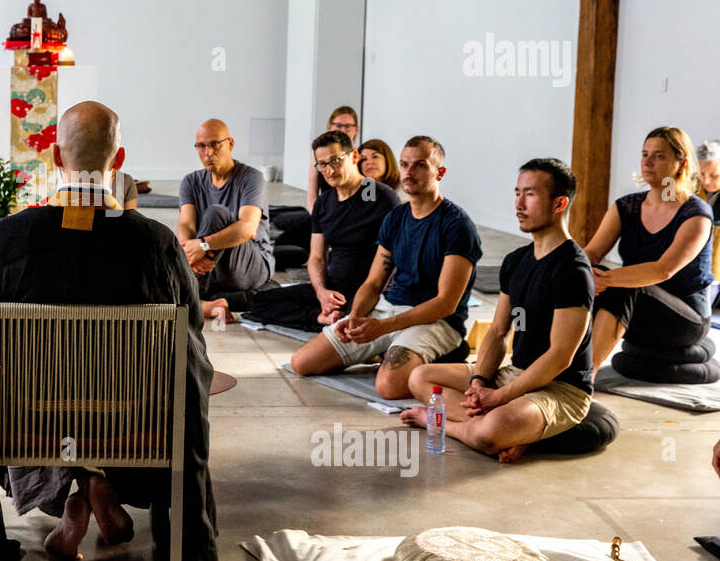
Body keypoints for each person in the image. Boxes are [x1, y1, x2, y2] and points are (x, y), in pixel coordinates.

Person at [0, 101, 219, 561]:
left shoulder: (7, 240)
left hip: (33, 427)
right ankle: (102, 484)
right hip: (133, 426)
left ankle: (66, 494)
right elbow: (191, 358)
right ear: (120, 157)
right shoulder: (156, 245)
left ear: (54, 158)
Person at [402, 159, 594, 463]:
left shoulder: (573, 270)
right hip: (515, 373)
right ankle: (509, 430)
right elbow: (497, 331)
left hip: (559, 389)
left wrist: (500, 398)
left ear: (559, 204)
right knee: (420, 377)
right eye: (517, 192)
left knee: (491, 430)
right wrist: (479, 383)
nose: (518, 203)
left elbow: (560, 356)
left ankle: (437, 422)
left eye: (530, 195)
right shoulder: (516, 260)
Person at [289, 136, 481, 399]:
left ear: (440, 172)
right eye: (404, 165)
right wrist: (355, 318)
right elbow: (373, 283)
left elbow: (446, 303)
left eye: (420, 165)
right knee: (303, 362)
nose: (409, 172)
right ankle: (391, 349)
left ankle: (448, 354)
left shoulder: (457, 226)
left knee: (389, 386)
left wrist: (384, 327)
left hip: (436, 321)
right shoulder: (396, 217)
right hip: (389, 310)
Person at [234, 131, 400, 324]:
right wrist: (322, 293)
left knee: (361, 314)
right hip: (333, 288)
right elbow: (316, 257)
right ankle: (321, 317)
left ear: (354, 156)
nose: (329, 170)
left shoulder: (381, 197)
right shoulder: (323, 203)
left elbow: (398, 257)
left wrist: (374, 298)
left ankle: (334, 316)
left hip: (369, 290)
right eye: (322, 164)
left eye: (336, 161)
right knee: (259, 301)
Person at [583, 127, 714, 368]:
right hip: (639, 313)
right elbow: (591, 252)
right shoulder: (626, 207)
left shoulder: (696, 215)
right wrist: (583, 271)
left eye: (659, 156)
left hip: (686, 320)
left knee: (626, 285)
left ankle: (582, 383)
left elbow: (663, 270)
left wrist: (605, 279)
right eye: (645, 154)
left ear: (682, 163)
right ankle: (549, 365)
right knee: (582, 273)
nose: (648, 162)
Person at [178, 119, 274, 317]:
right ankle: (198, 292)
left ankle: (191, 293)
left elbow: (248, 229)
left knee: (216, 213)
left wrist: (203, 245)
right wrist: (191, 253)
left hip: (251, 265)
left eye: (215, 144)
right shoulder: (191, 181)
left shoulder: (251, 177)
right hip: (211, 267)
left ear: (230, 144)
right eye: (202, 146)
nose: (208, 152)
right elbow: (186, 225)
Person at [270, 106, 362, 259]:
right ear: (330, 127)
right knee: (282, 233)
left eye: (348, 126)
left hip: (346, 219)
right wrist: (318, 220)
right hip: (324, 214)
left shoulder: (360, 157)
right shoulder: (318, 157)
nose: (343, 130)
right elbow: (312, 195)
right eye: (338, 126)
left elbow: (370, 198)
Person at [698, 139, 719, 284]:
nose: (706, 181)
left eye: (714, 175)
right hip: (693, 270)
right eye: (702, 174)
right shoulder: (690, 189)